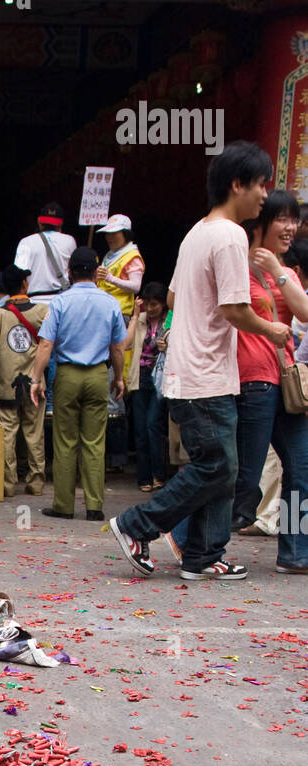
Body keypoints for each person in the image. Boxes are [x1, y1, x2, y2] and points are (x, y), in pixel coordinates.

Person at [108, 141, 291, 581]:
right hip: (205, 375)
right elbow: (234, 309)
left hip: (192, 370)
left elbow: (172, 296)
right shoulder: (230, 235)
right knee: (219, 466)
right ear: (236, 184)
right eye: (260, 185)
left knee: (220, 470)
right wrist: (272, 329)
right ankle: (136, 526)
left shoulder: (196, 232)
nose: (265, 196)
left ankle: (204, 556)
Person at [231, 189, 308, 574]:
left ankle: (295, 553)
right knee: (244, 475)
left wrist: (277, 270)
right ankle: (184, 532)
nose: (291, 227)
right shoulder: (235, 264)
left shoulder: (285, 271)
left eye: (294, 219)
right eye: (283, 219)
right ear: (260, 223)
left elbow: (305, 311)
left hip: (285, 381)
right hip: (252, 378)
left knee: (302, 467)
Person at [30, 246, 126, 521]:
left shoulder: (60, 302)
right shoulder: (110, 303)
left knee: (65, 441)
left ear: (70, 272)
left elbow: (46, 344)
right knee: (95, 442)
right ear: (96, 273)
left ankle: (64, 505)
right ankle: (94, 506)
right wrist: (118, 378)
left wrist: (36, 379)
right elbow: (118, 348)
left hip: (68, 375)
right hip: (97, 374)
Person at [0, 264, 47, 496]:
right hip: (34, 384)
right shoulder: (42, 312)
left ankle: (7, 484)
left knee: (7, 435)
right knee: (34, 433)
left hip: (6, 385)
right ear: (24, 285)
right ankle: (36, 482)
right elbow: (50, 344)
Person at [123, 281, 168, 490]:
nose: (150, 309)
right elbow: (126, 343)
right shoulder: (140, 320)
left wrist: (166, 346)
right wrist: (134, 316)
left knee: (153, 426)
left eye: (154, 305)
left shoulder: (170, 321)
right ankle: (144, 478)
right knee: (140, 429)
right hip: (140, 376)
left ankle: (158, 473)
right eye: (147, 304)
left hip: (159, 376)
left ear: (163, 304)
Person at [14, 202, 76, 306]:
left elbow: (17, 275)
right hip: (61, 302)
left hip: (32, 304)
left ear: (39, 222)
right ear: (61, 223)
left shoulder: (26, 242)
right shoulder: (70, 241)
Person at [95, 214, 145, 321]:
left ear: (125, 234)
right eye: (107, 233)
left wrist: (111, 278)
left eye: (114, 233)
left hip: (119, 312)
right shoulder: (110, 254)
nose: (109, 237)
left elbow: (136, 287)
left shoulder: (131, 256)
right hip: (102, 309)